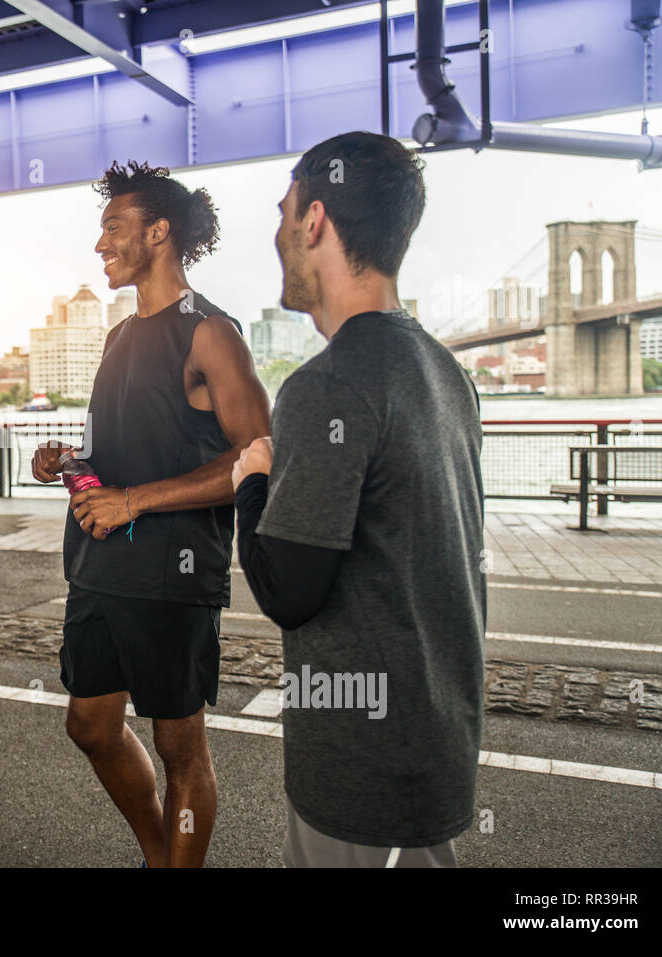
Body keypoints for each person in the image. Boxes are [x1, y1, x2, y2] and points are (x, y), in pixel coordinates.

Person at [231, 131, 486, 867]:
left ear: (314, 221)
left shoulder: (329, 384)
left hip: (356, 760)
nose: (278, 233)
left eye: (284, 213)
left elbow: (289, 589)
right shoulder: (444, 371)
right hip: (435, 741)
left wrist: (253, 479)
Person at [31, 160, 270, 867]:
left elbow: (257, 455)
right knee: (90, 724)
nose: (101, 244)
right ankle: (158, 852)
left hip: (174, 572)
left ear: (159, 232)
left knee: (179, 746)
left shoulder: (209, 333)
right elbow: (120, 453)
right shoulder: (116, 337)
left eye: (114, 228)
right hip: (99, 566)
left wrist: (135, 500)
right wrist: (70, 462)